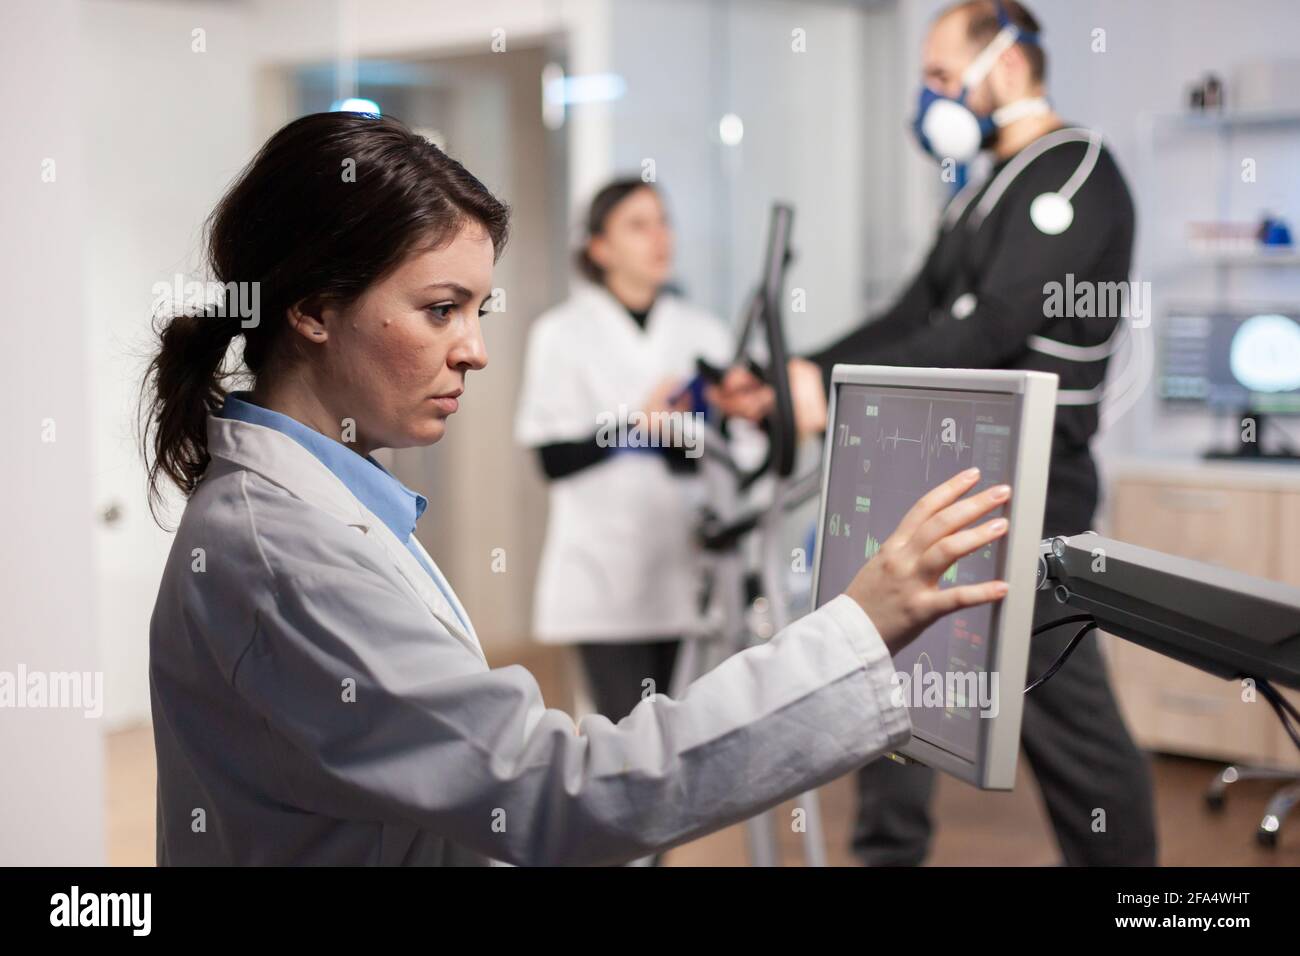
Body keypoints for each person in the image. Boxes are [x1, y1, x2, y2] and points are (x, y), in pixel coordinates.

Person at [141, 111, 1014, 867]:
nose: (474, 349)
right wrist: (851, 636)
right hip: (605, 574)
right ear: (314, 309)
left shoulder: (320, 506)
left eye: (477, 312)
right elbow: (557, 790)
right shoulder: (284, 552)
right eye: (442, 309)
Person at [709, 0, 1157, 866]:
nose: (930, 99)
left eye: (942, 78)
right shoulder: (982, 191)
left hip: (1035, 493)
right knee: (897, 693)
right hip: (950, 477)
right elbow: (912, 312)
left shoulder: (1073, 174)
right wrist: (794, 377)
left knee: (1071, 725)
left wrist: (828, 398)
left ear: (1012, 63)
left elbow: (992, 327)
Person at [514, 179, 744, 727]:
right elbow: (553, 458)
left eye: (664, 222)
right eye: (638, 226)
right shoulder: (561, 334)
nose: (659, 238)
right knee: (622, 742)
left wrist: (686, 431)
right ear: (600, 248)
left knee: (681, 740)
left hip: (683, 567)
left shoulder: (702, 332)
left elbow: (730, 453)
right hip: (603, 578)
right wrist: (634, 425)